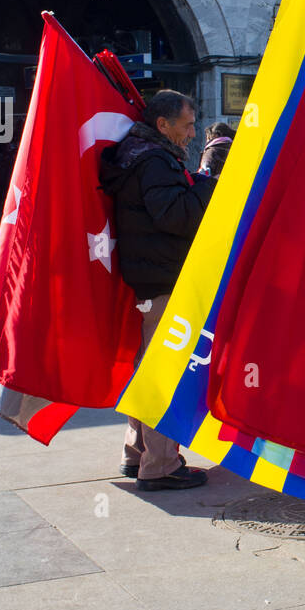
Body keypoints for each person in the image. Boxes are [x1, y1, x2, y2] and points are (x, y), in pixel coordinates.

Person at [99, 91, 217, 490]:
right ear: (163, 124)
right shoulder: (153, 160)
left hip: (151, 278)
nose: (192, 132)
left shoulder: (142, 155)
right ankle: (162, 465)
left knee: (148, 369)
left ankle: (138, 453)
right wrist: (212, 186)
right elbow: (175, 215)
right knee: (165, 372)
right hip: (163, 279)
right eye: (186, 124)